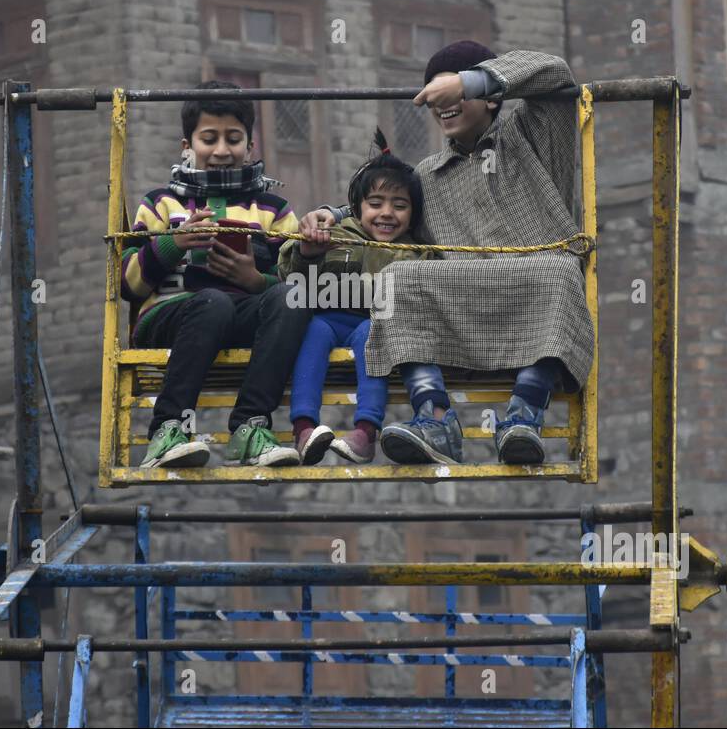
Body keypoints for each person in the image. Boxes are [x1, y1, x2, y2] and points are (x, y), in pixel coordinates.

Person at [298, 42, 595, 466]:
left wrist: (468, 81)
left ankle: (523, 416)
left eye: (451, 95)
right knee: (398, 279)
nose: (443, 106)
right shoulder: (426, 175)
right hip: (464, 303)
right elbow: (385, 210)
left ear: (491, 97)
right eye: (435, 99)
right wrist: (331, 213)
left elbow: (556, 71)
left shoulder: (534, 134)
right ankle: (435, 419)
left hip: (537, 291)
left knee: (561, 269)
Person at [121, 81, 313, 468]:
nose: (222, 150)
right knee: (213, 302)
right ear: (187, 146)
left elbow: (297, 282)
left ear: (250, 147)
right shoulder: (159, 203)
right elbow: (128, 283)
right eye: (209, 138)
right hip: (170, 318)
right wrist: (176, 243)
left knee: (289, 298)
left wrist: (258, 281)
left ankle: (251, 428)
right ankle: (167, 430)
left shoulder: (274, 211)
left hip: (241, 317)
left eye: (233, 138)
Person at [278, 130, 437, 464]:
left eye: (400, 205)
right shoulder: (335, 234)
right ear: (356, 208)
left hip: (373, 323)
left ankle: (366, 431)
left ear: (413, 212)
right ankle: (304, 427)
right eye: (375, 204)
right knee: (312, 331)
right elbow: (290, 274)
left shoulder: (417, 253)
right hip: (328, 317)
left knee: (372, 338)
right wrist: (308, 251)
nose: (386, 214)